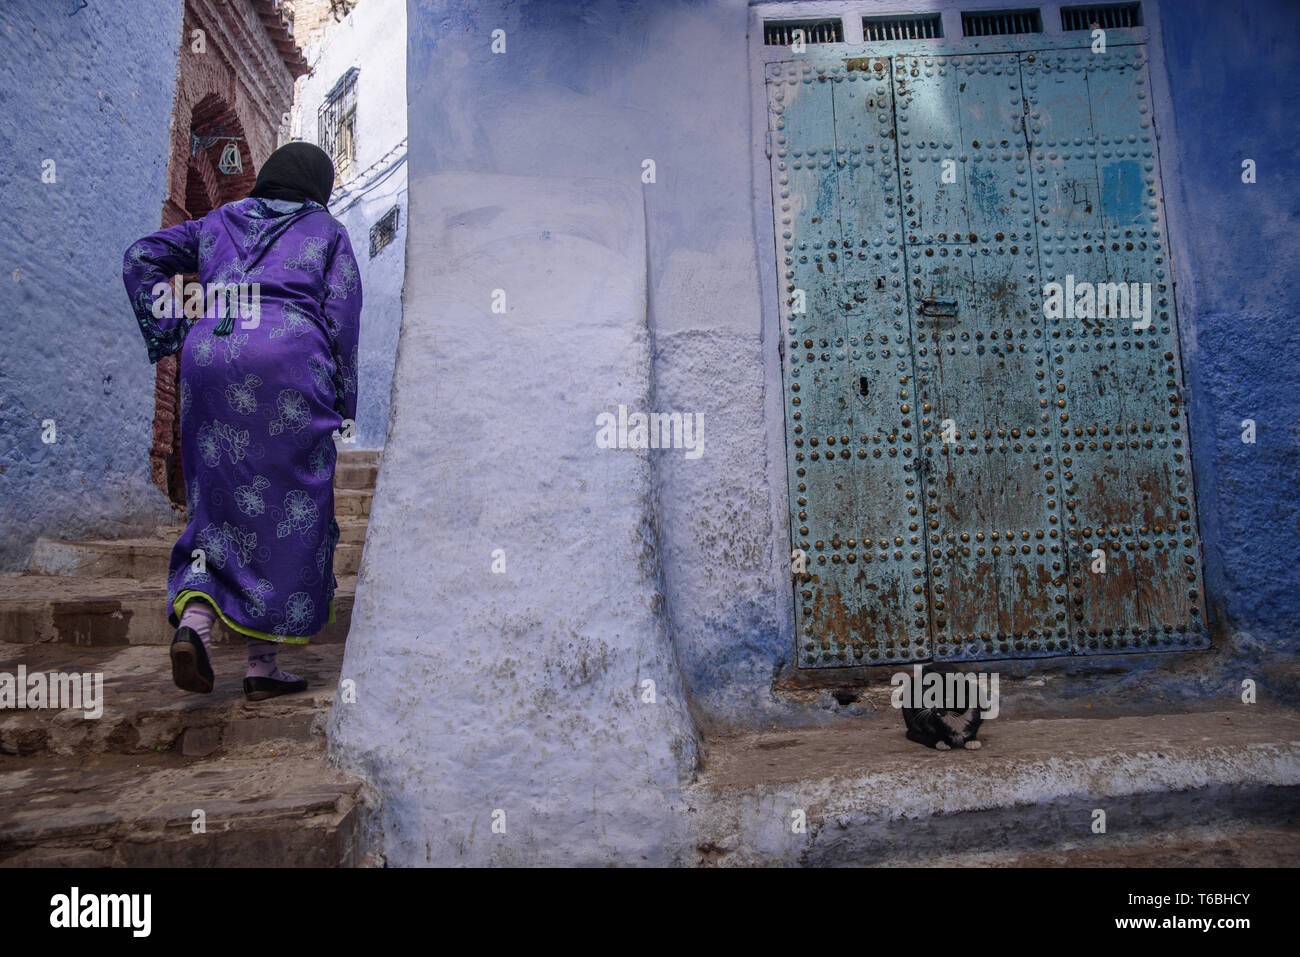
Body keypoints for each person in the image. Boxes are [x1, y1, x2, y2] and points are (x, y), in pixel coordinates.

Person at [122, 142, 362, 701]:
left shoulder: (218, 221)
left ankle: (198, 626)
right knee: (292, 508)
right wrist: (343, 402)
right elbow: (343, 316)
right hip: (290, 365)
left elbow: (141, 257)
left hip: (212, 360)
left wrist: (178, 328)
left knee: (219, 504)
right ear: (317, 187)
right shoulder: (325, 232)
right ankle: (260, 663)